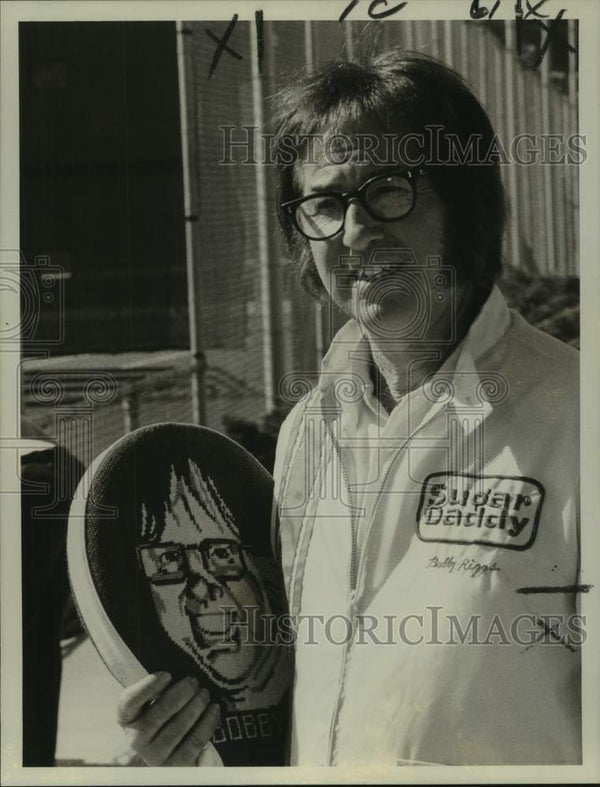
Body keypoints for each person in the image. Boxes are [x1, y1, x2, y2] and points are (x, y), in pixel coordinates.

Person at [117, 50, 580, 766]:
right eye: (325, 203)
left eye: (388, 190)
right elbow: (296, 686)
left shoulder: (576, 426)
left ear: (464, 205)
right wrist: (192, 729)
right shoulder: (311, 431)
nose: (356, 231)